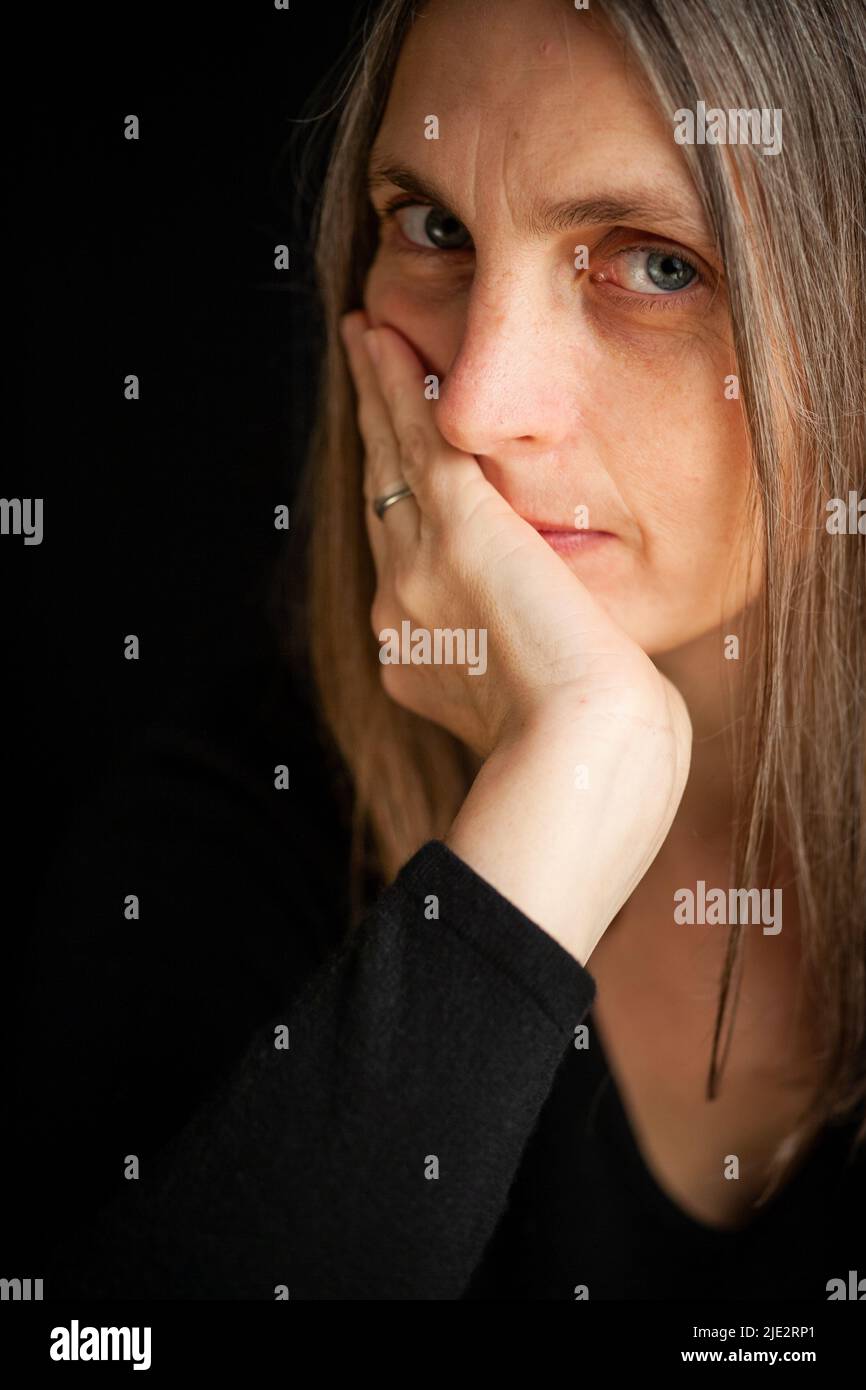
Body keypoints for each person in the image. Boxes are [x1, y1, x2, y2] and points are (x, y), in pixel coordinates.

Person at [14, 0, 866, 1299]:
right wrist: (560, 796)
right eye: (434, 229)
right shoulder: (224, 851)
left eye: (653, 265)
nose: (471, 403)